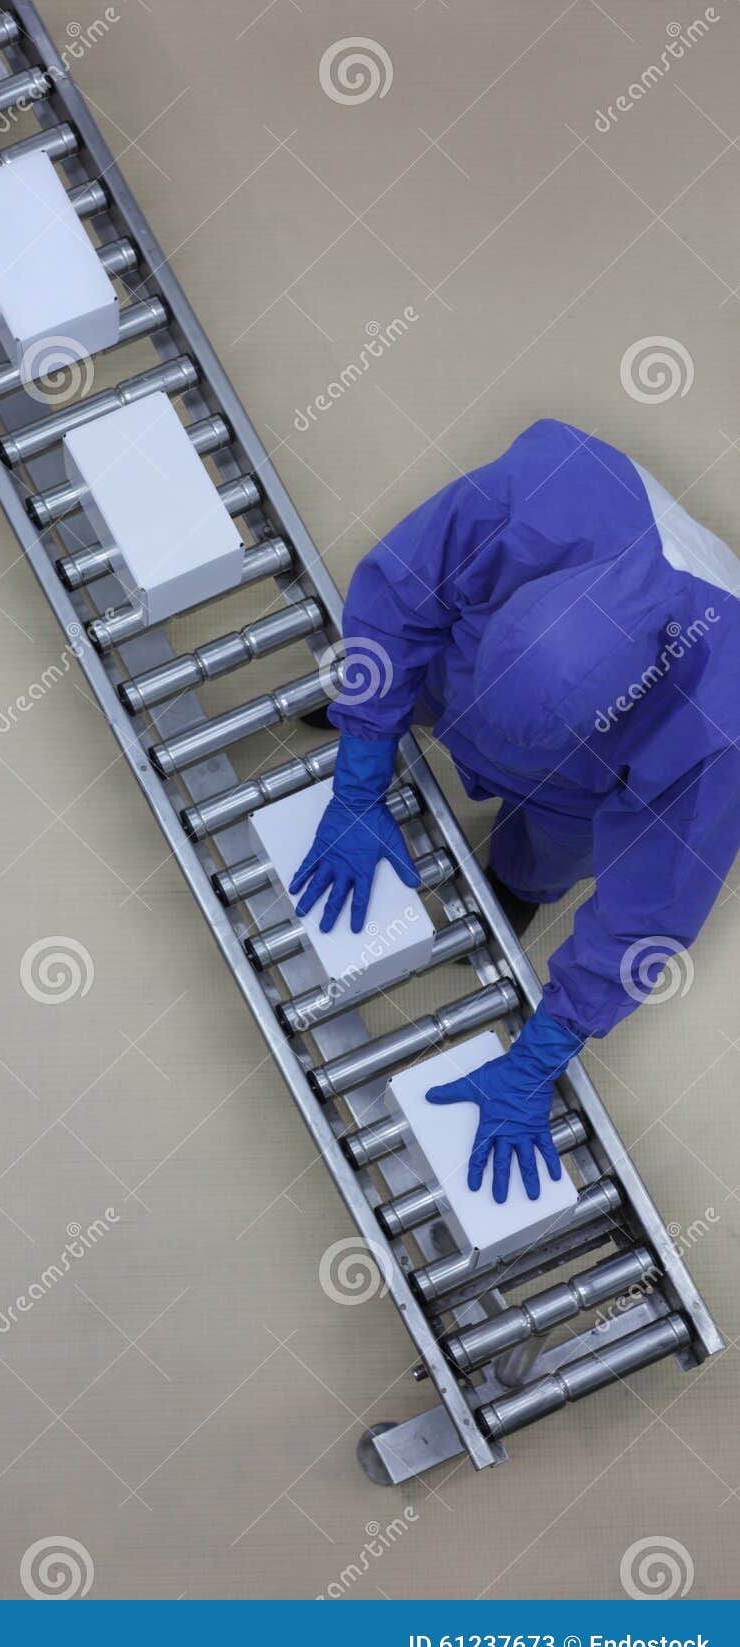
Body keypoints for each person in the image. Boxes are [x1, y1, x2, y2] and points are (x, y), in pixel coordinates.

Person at [290, 419, 740, 1204]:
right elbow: (402, 600)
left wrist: (539, 1058)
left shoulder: (718, 722)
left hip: (583, 781)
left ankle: (518, 882)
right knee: (397, 670)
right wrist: (360, 776)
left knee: (548, 852)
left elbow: (652, 904)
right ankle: (372, 720)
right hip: (468, 668)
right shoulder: (535, 497)